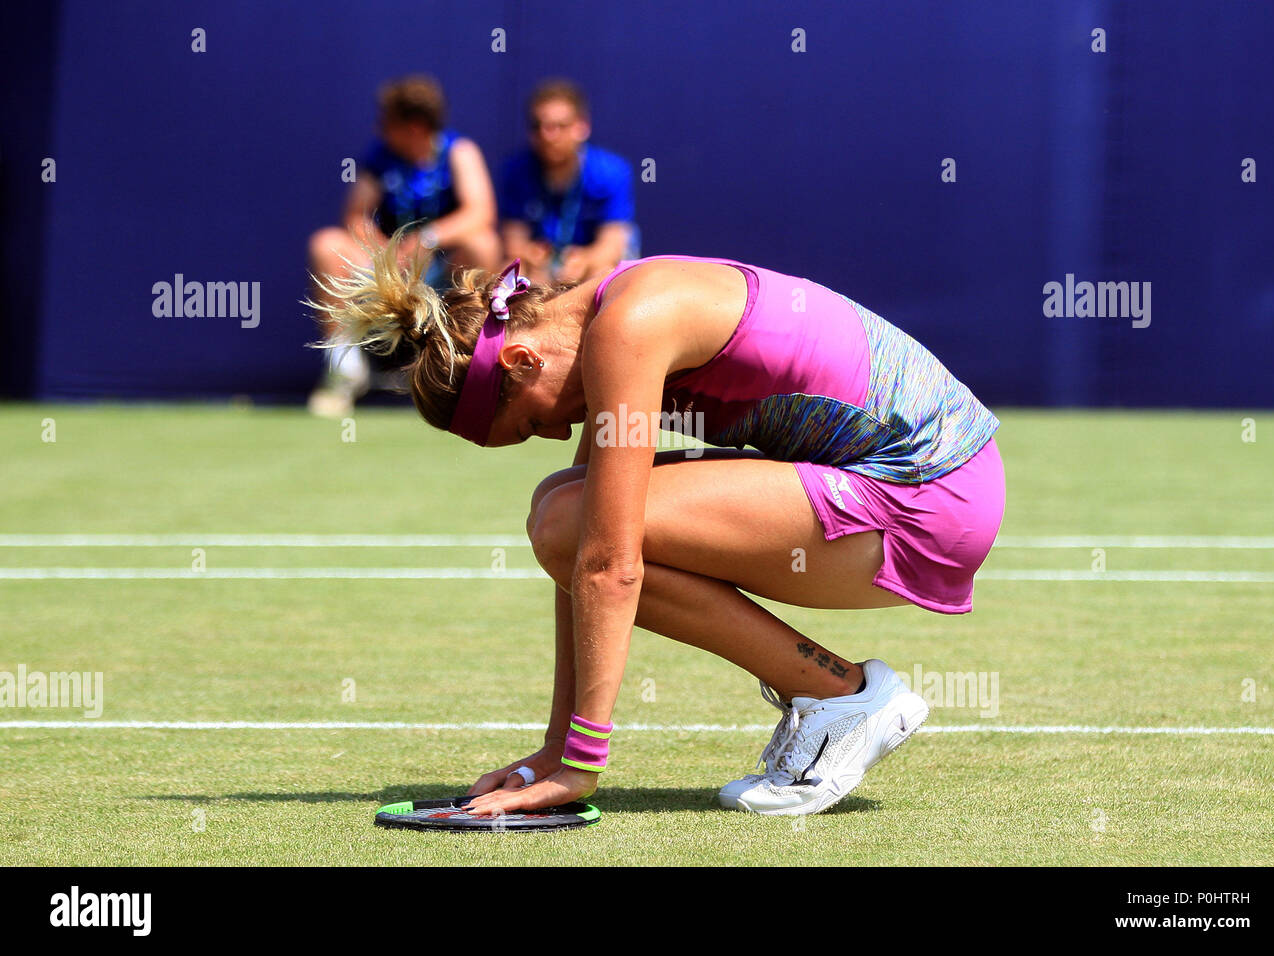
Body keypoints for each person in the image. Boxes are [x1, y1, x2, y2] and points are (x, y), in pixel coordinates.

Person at [310, 231, 1005, 817]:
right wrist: (553, 753)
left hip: (930, 498)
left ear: (523, 360)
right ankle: (835, 695)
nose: (555, 435)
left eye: (531, 423)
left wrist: (579, 768)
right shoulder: (607, 316)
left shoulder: (630, 325)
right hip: (930, 488)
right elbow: (585, 558)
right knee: (565, 510)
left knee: (564, 515)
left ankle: (842, 698)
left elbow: (608, 564)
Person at [307, 74, 500, 417]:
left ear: (413, 127)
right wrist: (384, 252)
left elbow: (480, 212)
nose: (381, 131)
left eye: (387, 123)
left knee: (483, 245)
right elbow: (356, 216)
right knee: (326, 244)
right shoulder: (381, 156)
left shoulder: (460, 151)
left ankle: (472, 370)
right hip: (392, 269)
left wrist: (430, 239)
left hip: (442, 267)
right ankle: (344, 372)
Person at [499, 79, 636, 285]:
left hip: (588, 262)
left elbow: (613, 245)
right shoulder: (516, 170)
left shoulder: (612, 171)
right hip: (540, 266)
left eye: (559, 126)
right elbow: (513, 240)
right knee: (509, 269)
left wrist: (585, 259)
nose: (548, 135)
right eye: (538, 126)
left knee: (604, 272)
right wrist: (530, 255)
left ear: (582, 127)